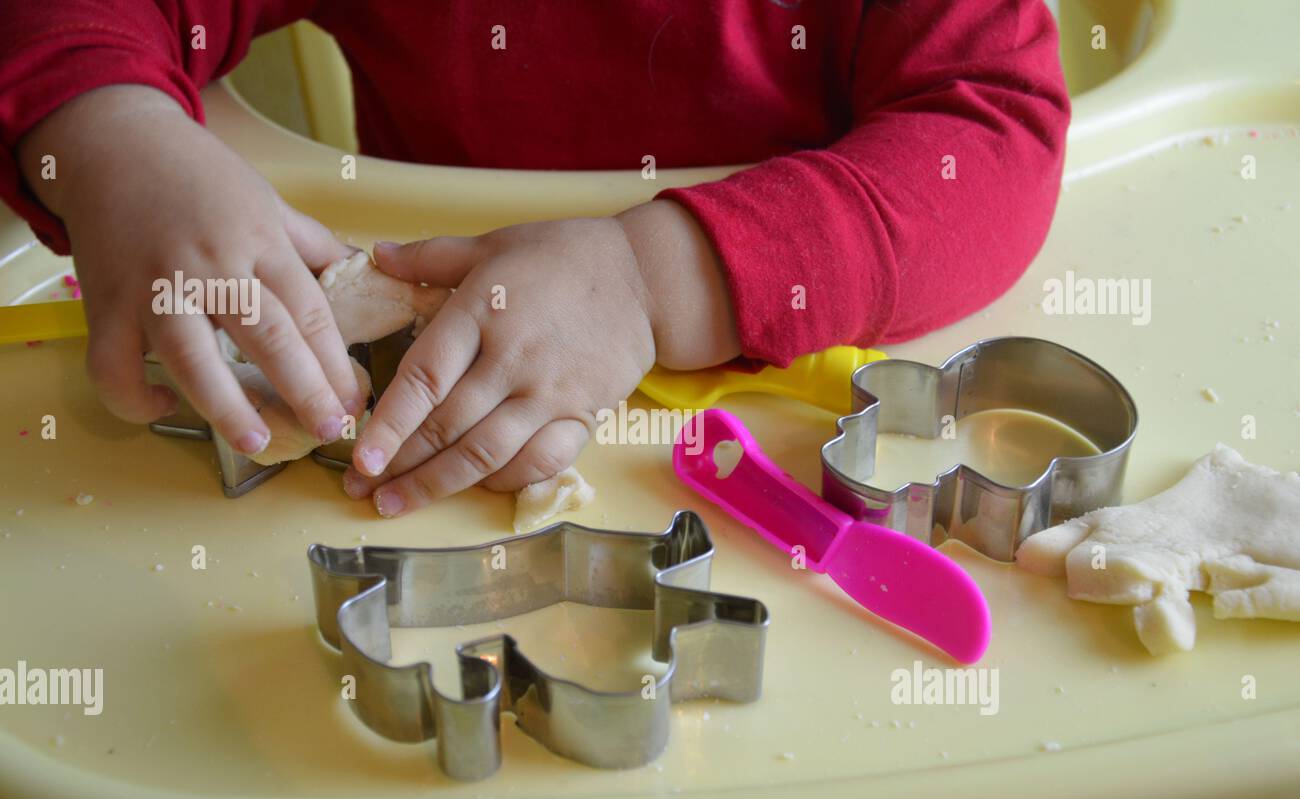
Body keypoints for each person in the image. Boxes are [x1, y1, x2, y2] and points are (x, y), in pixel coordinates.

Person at [0, 0, 1069, 517]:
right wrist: (112, 139)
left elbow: (989, 135)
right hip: (419, 436)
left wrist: (655, 280)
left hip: (771, 447)